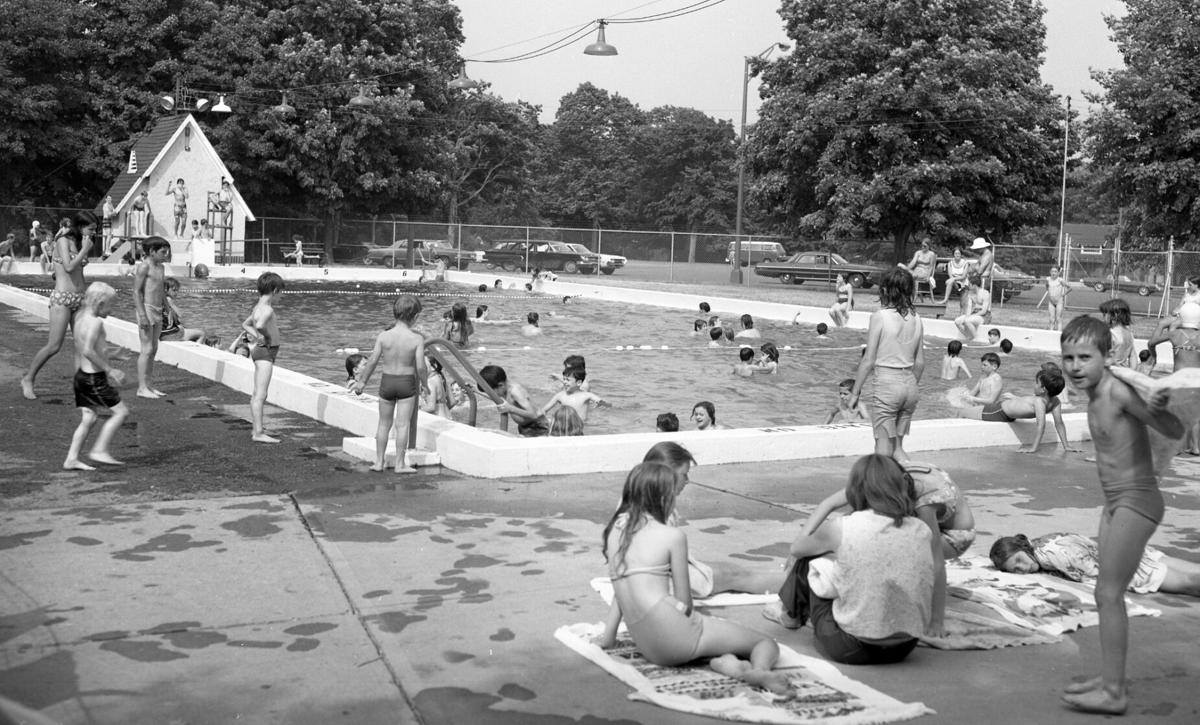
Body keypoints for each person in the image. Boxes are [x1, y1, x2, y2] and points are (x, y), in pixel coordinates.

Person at [1057, 315, 1183, 715]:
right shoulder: (1097, 394)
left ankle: (1114, 693)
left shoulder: (1117, 392)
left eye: (1084, 357)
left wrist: (1158, 405)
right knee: (1103, 592)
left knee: (1110, 593)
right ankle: (1110, 677)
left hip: (1138, 501)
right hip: (1116, 503)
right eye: (1068, 358)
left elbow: (1174, 428)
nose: (1075, 366)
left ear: (1105, 357)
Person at [598, 462, 788, 693]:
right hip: (675, 636)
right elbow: (684, 604)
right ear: (664, 498)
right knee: (763, 643)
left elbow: (621, 590)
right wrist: (697, 625)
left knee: (720, 642)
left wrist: (608, 638)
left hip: (648, 645)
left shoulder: (614, 531)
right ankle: (760, 671)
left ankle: (730, 665)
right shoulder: (671, 536)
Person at [763, 454, 939, 663]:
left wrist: (829, 509)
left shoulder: (844, 526)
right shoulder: (921, 528)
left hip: (851, 648)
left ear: (855, 489)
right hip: (904, 646)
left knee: (810, 561)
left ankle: (790, 614)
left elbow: (798, 548)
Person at [644, 442, 780, 597]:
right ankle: (795, 585)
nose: (687, 481)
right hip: (662, 580)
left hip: (657, 574)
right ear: (667, 475)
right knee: (736, 575)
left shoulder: (639, 498)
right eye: (684, 475)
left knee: (731, 570)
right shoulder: (657, 508)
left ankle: (792, 581)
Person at [849, 267, 924, 461]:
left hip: (887, 385)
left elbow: (868, 360)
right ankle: (908, 483)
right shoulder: (917, 318)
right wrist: (907, 384)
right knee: (897, 448)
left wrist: (855, 393)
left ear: (884, 291)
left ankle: (883, 489)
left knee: (882, 448)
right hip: (910, 386)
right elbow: (920, 363)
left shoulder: (879, 317)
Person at [20, 211, 97, 400]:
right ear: (79, 227)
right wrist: (85, 250)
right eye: (91, 228)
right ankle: (28, 379)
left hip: (79, 298)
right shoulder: (63, 241)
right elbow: (69, 267)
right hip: (62, 298)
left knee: (82, 346)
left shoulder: (81, 242)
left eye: (95, 229)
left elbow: (78, 271)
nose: (94, 232)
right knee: (54, 346)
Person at [990, 533, 1200, 598]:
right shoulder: (1042, 542)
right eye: (1015, 569)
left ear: (1022, 548)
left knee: (1189, 583)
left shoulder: (1052, 556)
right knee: (1192, 571)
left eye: (1018, 560)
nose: (1022, 568)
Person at [351, 295, 427, 472]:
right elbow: (421, 367)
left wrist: (362, 382)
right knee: (402, 425)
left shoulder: (384, 336)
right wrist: (425, 384)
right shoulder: (417, 339)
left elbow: (372, 361)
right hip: (406, 383)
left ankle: (378, 462)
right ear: (415, 317)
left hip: (387, 382)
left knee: (383, 424)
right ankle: (400, 464)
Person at [63, 282, 130, 470]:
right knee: (121, 412)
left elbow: (88, 346)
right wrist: (111, 370)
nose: (112, 309)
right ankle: (99, 450)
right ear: (100, 304)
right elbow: (88, 350)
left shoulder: (80, 317)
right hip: (94, 380)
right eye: (111, 305)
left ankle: (71, 459)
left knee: (89, 419)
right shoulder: (96, 322)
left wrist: (114, 354)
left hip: (82, 377)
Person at [959, 365, 1080, 453]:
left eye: (1036, 383)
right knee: (969, 409)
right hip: (1004, 409)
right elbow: (1059, 423)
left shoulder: (1039, 401)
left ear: (1043, 389)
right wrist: (1066, 446)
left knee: (962, 412)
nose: (1034, 385)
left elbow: (1041, 425)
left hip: (998, 411)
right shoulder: (1055, 401)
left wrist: (1033, 448)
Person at [1147, 302, 1200, 454]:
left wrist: (1154, 354)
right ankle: (1195, 447)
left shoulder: (1175, 334)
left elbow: (1152, 342)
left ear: (1182, 317)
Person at [242, 272, 286, 444]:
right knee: (261, 394)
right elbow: (259, 325)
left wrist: (258, 336)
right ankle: (258, 433)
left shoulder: (257, 307)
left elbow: (246, 324)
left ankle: (258, 429)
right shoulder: (267, 309)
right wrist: (266, 336)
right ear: (275, 290)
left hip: (262, 351)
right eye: (281, 292)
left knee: (257, 393)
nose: (281, 296)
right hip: (265, 353)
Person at [132, 237, 171, 398]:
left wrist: (168, 309)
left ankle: (149, 385)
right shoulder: (144, 267)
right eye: (163, 252)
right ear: (151, 251)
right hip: (146, 309)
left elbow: (161, 289)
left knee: (153, 349)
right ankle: (141, 388)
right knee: (146, 349)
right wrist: (142, 315)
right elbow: (136, 292)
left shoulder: (161, 267)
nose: (166, 254)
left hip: (158, 309)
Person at [479, 365, 547, 436]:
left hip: (538, 426)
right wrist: (473, 390)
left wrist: (510, 409)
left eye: (491, 392)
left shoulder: (515, 391)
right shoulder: (503, 390)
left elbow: (533, 415)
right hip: (525, 426)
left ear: (501, 385)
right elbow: (495, 397)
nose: (491, 395)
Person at [537, 367, 608, 425]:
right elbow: (544, 410)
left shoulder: (586, 395)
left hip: (580, 426)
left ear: (579, 383)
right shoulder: (560, 395)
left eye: (567, 380)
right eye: (564, 379)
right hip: (564, 425)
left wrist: (601, 404)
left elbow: (603, 403)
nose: (564, 382)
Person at [160, 277, 206, 343]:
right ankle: (196, 350)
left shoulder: (160, 300)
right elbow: (180, 315)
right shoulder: (169, 300)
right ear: (166, 289)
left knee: (185, 329)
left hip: (162, 333)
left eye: (177, 290)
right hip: (171, 335)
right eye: (174, 290)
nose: (176, 293)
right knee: (202, 333)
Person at [953, 275, 992, 341]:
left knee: (967, 320)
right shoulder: (970, 293)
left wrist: (970, 316)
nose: (968, 285)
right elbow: (969, 308)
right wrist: (966, 315)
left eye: (969, 284)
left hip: (984, 316)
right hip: (974, 314)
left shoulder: (985, 293)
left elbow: (984, 311)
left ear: (974, 285)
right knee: (957, 321)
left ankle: (976, 339)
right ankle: (968, 337)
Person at [1100, 298, 1136, 368]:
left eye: (1105, 314)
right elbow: (1133, 356)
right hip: (1123, 371)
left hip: (1110, 372)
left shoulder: (1110, 333)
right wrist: (1131, 372)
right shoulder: (1129, 333)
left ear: (1115, 315)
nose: (1103, 318)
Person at [1039, 266, 1071, 331]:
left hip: (1059, 302)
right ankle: (1051, 333)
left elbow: (1070, 288)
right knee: (1051, 319)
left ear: (1058, 273)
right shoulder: (1048, 279)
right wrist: (1048, 291)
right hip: (1051, 302)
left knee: (1058, 318)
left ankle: (1058, 334)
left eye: (1055, 271)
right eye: (1052, 271)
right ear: (1050, 272)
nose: (1053, 273)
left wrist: (1063, 294)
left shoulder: (1060, 280)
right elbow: (1047, 286)